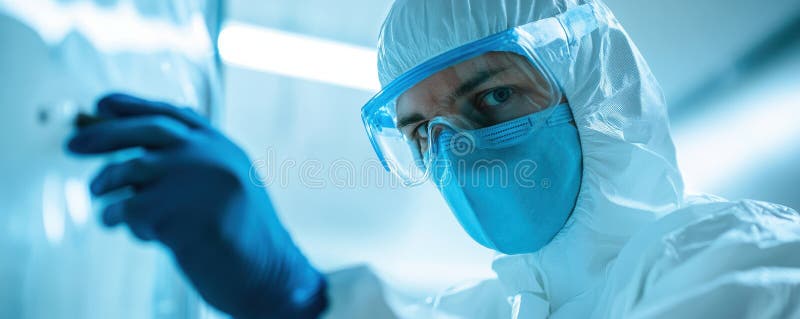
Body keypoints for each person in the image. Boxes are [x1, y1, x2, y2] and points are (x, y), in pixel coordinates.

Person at [66, 0, 800, 318]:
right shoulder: (494, 307)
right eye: (422, 133)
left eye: (490, 101)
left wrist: (302, 297)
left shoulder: (744, 256)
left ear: (596, 91)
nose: (454, 151)